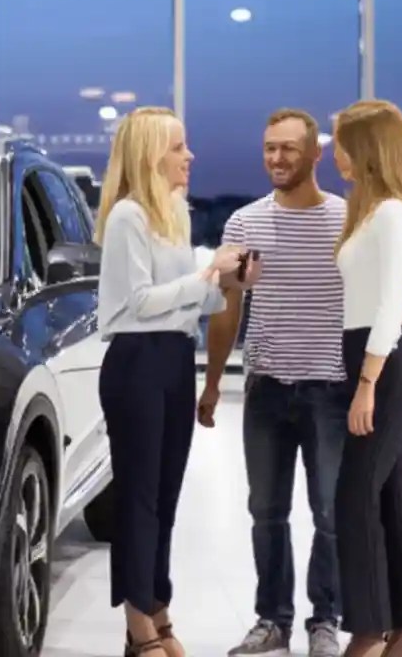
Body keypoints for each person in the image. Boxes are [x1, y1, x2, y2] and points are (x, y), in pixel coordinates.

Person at [203, 109, 402, 657]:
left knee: (332, 513)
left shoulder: (351, 219)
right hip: (266, 388)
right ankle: (271, 619)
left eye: (289, 149)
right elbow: (227, 310)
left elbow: (391, 293)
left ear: (317, 154)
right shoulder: (245, 223)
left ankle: (327, 619)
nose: (277, 158)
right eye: (269, 148)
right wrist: (211, 383)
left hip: (333, 388)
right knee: (266, 512)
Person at [95, 106, 244, 657]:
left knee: (166, 498)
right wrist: (205, 275)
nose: (190, 156)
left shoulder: (175, 213)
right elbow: (134, 304)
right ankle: (140, 629)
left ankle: (158, 608)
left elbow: (189, 304)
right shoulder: (127, 217)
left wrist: (226, 284)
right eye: (179, 147)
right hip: (136, 363)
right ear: (151, 155)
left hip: (176, 359)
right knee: (138, 500)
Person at [330, 99, 402, 657]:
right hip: (371, 358)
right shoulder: (372, 212)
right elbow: (385, 295)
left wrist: (367, 383)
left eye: (342, 144)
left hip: (386, 368)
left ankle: (370, 634)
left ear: (368, 149)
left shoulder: (394, 213)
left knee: (353, 497)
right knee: (388, 496)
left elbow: (386, 307)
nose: (335, 154)